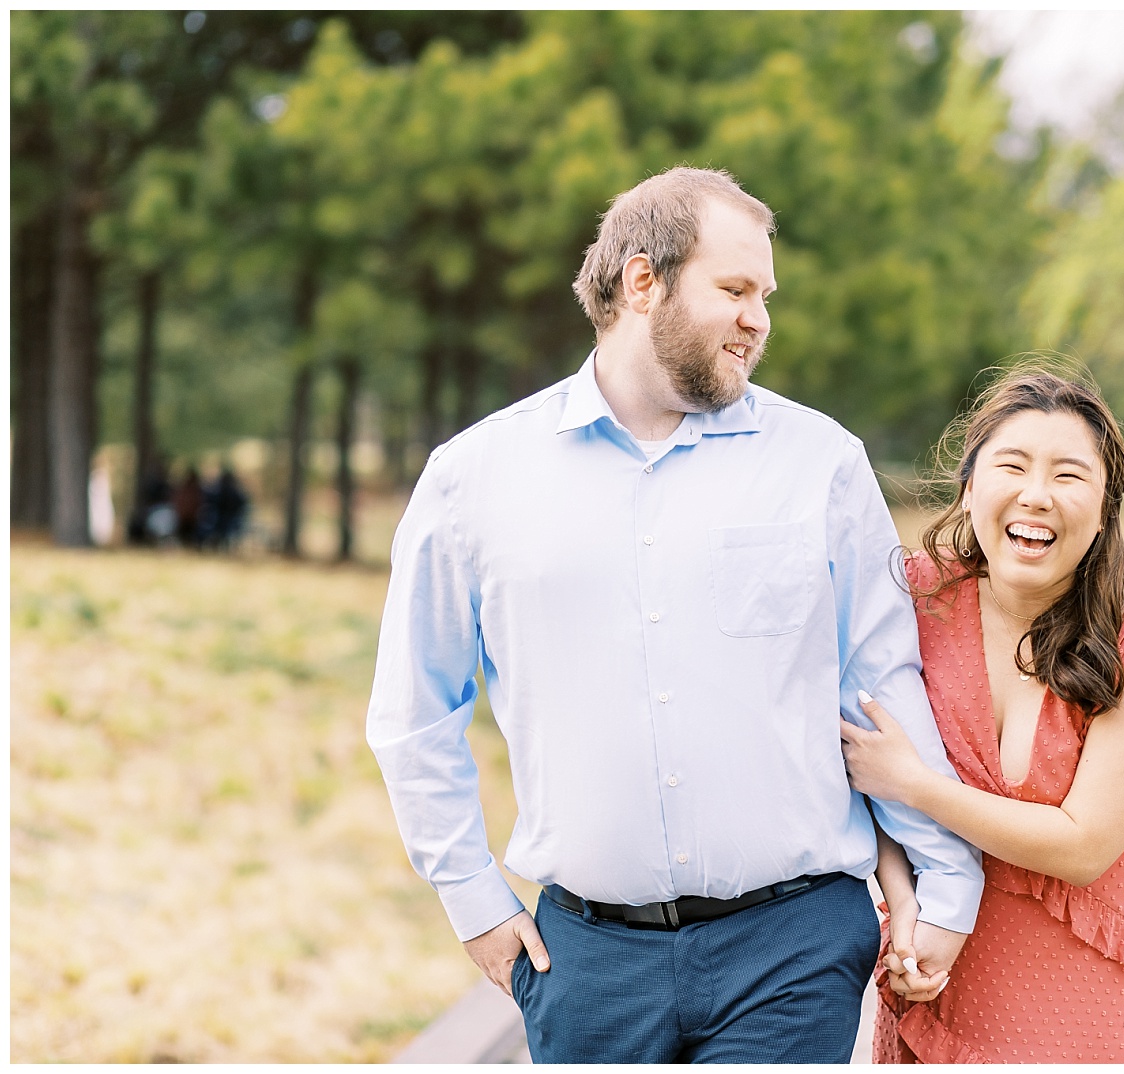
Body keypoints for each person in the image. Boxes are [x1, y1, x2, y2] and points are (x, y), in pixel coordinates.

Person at [366, 167, 984, 1064]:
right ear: (642, 281)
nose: (759, 318)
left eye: (765, 296)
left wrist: (945, 879)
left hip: (795, 947)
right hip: (587, 963)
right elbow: (414, 712)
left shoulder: (821, 463)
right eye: (734, 289)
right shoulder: (473, 480)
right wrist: (472, 898)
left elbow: (881, 684)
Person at [839, 363, 1124, 1063]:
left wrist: (916, 785)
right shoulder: (909, 600)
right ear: (971, 484)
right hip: (940, 973)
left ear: (1104, 511)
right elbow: (858, 764)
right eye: (1012, 466)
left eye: (1069, 476)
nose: (1037, 496)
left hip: (1094, 1006)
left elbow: (1083, 846)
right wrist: (906, 905)